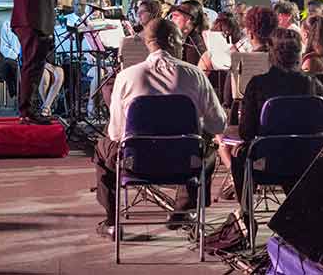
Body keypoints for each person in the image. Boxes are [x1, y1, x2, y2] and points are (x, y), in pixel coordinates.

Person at [93, 19, 227, 239]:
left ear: (148, 43)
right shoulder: (195, 75)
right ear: (174, 41)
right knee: (208, 149)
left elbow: (116, 133)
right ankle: (184, 210)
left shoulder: (127, 76)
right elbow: (218, 124)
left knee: (102, 149)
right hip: (184, 163)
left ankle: (112, 222)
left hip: (137, 163)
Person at [230, 28, 323, 202]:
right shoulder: (311, 82)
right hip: (307, 160)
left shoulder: (257, 83)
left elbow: (246, 132)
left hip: (269, 163)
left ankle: (246, 214)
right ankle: (296, 208)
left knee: (238, 154)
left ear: (271, 53)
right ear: (298, 55)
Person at [11, 0, 89, 125]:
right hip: (30, 23)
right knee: (31, 66)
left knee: (35, 67)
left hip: (37, 23)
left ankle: (29, 110)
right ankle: (27, 111)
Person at [168, 0, 208, 66]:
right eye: (176, 9)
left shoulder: (196, 45)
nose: (174, 13)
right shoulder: (169, 37)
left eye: (180, 11)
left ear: (191, 20)